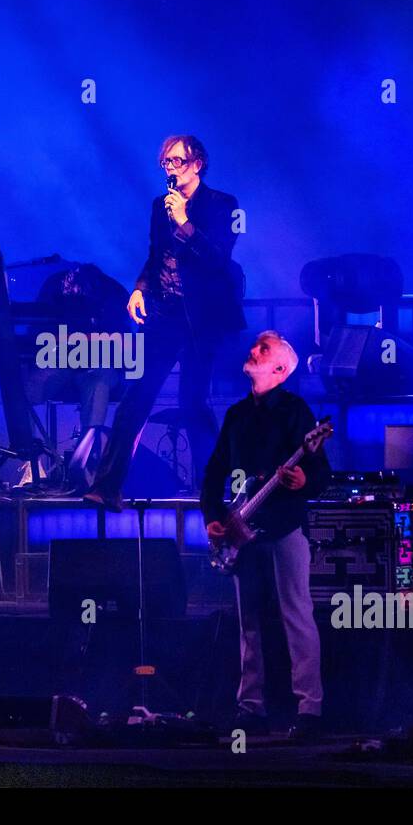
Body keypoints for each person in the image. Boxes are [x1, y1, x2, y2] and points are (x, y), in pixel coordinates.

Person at [84, 134, 245, 510]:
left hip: (203, 319)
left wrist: (185, 222)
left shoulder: (223, 205)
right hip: (165, 315)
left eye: (176, 161)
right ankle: (108, 486)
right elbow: (155, 256)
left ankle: (211, 491)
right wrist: (139, 288)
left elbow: (219, 259)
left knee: (193, 402)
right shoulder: (160, 206)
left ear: (197, 164)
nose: (169, 168)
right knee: (137, 396)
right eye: (165, 162)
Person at [202, 331, 331, 740]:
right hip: (241, 528)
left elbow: (321, 474)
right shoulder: (237, 415)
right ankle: (250, 707)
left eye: (264, 348)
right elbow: (214, 472)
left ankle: (310, 709)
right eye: (256, 344)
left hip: (285, 527)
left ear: (279, 369)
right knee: (249, 621)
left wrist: (301, 480)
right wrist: (212, 516)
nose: (253, 350)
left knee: (297, 615)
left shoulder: (296, 412)